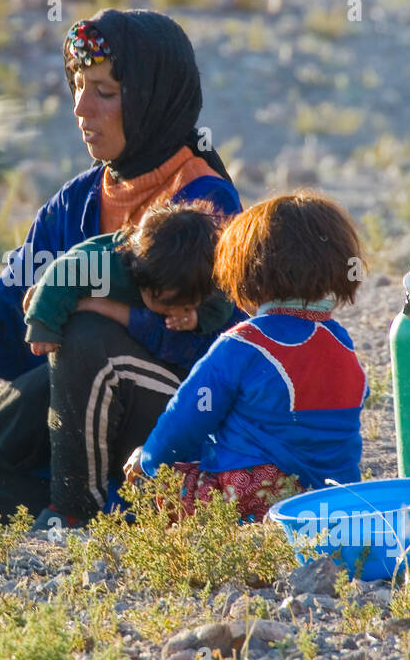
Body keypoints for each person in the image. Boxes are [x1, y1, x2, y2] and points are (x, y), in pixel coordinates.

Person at [0, 9, 242, 530]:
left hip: (169, 436)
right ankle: (95, 511)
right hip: (81, 441)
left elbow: (219, 343)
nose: (82, 108)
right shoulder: (78, 201)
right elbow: (14, 300)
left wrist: (110, 317)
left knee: (81, 334)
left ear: (153, 98)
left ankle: (79, 515)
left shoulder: (204, 203)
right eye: (79, 87)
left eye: (105, 91)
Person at [123, 191, 369, 522]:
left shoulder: (243, 343)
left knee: (164, 478)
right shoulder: (340, 339)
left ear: (247, 272)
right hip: (337, 500)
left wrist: (148, 460)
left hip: (262, 499)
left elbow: (185, 419)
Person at [23, 199, 234, 355]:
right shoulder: (107, 266)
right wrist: (43, 324)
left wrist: (196, 318)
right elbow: (65, 270)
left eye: (187, 305)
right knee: (77, 324)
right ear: (142, 280)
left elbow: (223, 303)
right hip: (73, 279)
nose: (176, 312)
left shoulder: (206, 276)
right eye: (167, 305)